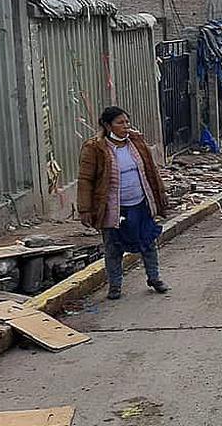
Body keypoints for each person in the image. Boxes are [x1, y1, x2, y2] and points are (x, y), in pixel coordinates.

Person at [78, 107, 169, 300]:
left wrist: (160, 195)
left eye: (127, 122)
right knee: (113, 248)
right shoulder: (95, 148)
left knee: (148, 243)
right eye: (120, 123)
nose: (126, 126)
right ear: (107, 125)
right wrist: (85, 209)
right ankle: (115, 286)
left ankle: (154, 278)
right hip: (113, 209)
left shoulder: (136, 142)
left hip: (140, 204)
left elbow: (151, 171)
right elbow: (85, 180)